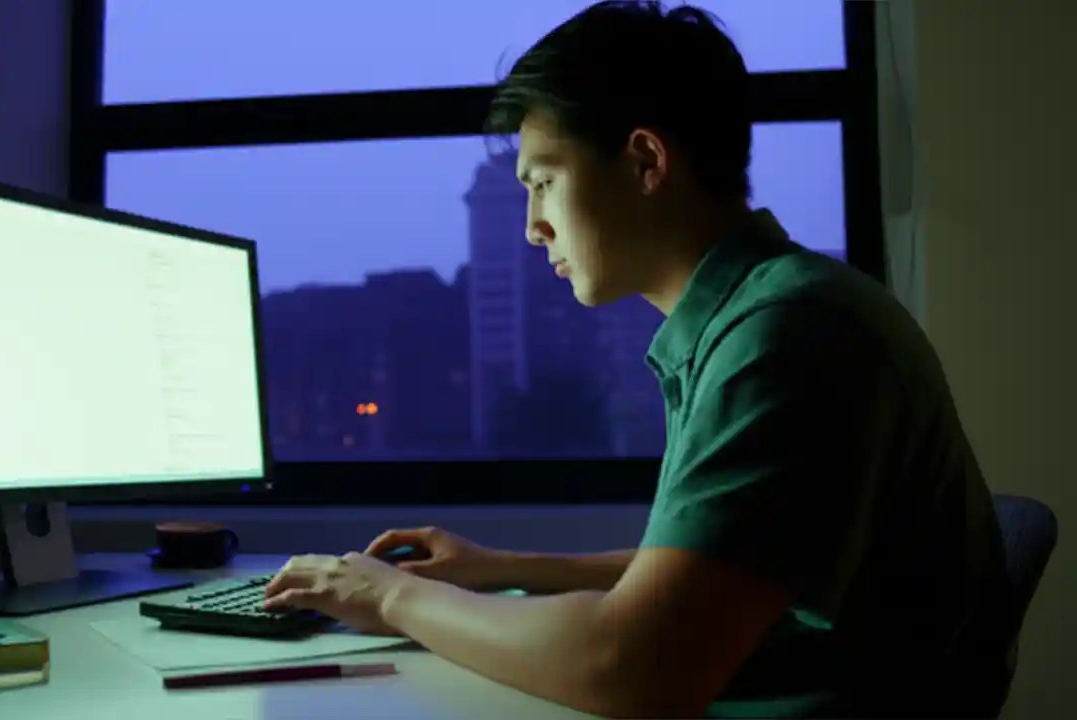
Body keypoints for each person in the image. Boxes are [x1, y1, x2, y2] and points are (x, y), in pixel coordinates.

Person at [263, 2, 1011, 717]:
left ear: (647, 161)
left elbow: (633, 666)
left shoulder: (783, 335)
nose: (533, 229)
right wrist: (501, 567)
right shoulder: (760, 314)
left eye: (543, 183)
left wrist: (390, 597)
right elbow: (705, 573)